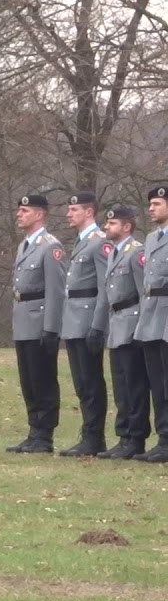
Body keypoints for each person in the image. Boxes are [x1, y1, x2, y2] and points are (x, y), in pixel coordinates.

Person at [8, 194, 67, 453]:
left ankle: (45, 434)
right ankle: (34, 430)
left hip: (40, 320)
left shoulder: (49, 246)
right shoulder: (25, 245)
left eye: (25, 210)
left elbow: (56, 290)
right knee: (28, 380)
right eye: (19, 210)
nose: (19, 215)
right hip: (23, 319)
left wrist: (51, 327)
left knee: (42, 379)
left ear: (39, 214)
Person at [93, 204, 149, 459]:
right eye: (107, 222)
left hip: (132, 324)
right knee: (121, 385)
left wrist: (141, 329)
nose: (107, 226)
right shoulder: (114, 253)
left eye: (113, 223)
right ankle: (124, 435)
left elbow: (143, 293)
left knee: (134, 385)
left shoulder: (136, 253)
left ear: (127, 226)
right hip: (117, 324)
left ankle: (135, 438)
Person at [60, 191, 110, 454]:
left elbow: (105, 287)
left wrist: (98, 325)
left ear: (89, 212)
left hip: (88, 319)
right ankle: (88, 433)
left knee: (91, 381)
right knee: (81, 382)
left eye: (74, 209)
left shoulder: (98, 242)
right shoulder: (81, 241)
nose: (69, 214)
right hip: (73, 319)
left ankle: (94, 436)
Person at [132, 187, 168, 463]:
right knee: (157, 382)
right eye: (150, 204)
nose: (151, 209)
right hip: (152, 313)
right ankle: (163, 438)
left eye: (157, 203)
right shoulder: (153, 238)